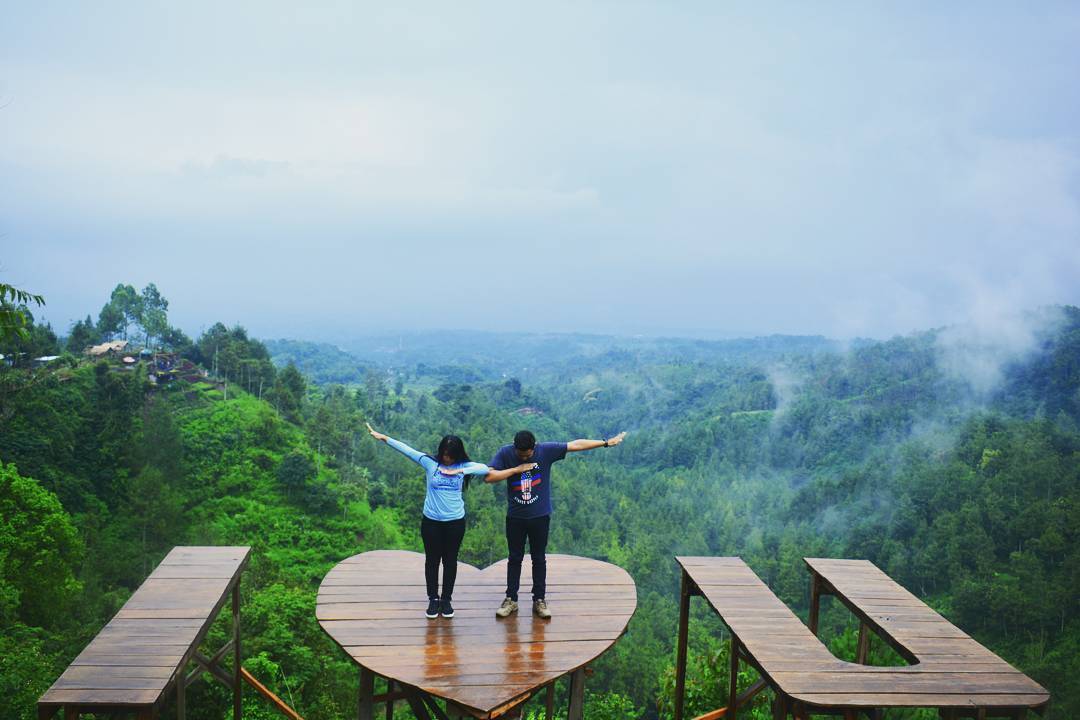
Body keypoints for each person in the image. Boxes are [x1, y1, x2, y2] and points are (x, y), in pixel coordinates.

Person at [366, 422, 537, 619]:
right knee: (432, 560)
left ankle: (446, 600)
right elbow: (408, 450)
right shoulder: (430, 463)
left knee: (450, 561)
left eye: (450, 456)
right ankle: (433, 599)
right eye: (445, 455)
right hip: (431, 522)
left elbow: (483, 468)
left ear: (457, 455)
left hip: (455, 522)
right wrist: (384, 438)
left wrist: (459, 471)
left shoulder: (463, 466)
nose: (447, 459)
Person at [487, 429, 627, 618]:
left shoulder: (545, 451)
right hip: (515, 517)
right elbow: (489, 477)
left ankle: (539, 600)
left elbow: (575, 445)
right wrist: (515, 470)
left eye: (527, 455)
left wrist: (604, 443)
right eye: (521, 455)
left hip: (540, 516)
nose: (524, 457)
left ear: (534, 447)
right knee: (515, 558)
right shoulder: (506, 453)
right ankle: (511, 599)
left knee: (539, 558)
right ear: (515, 447)